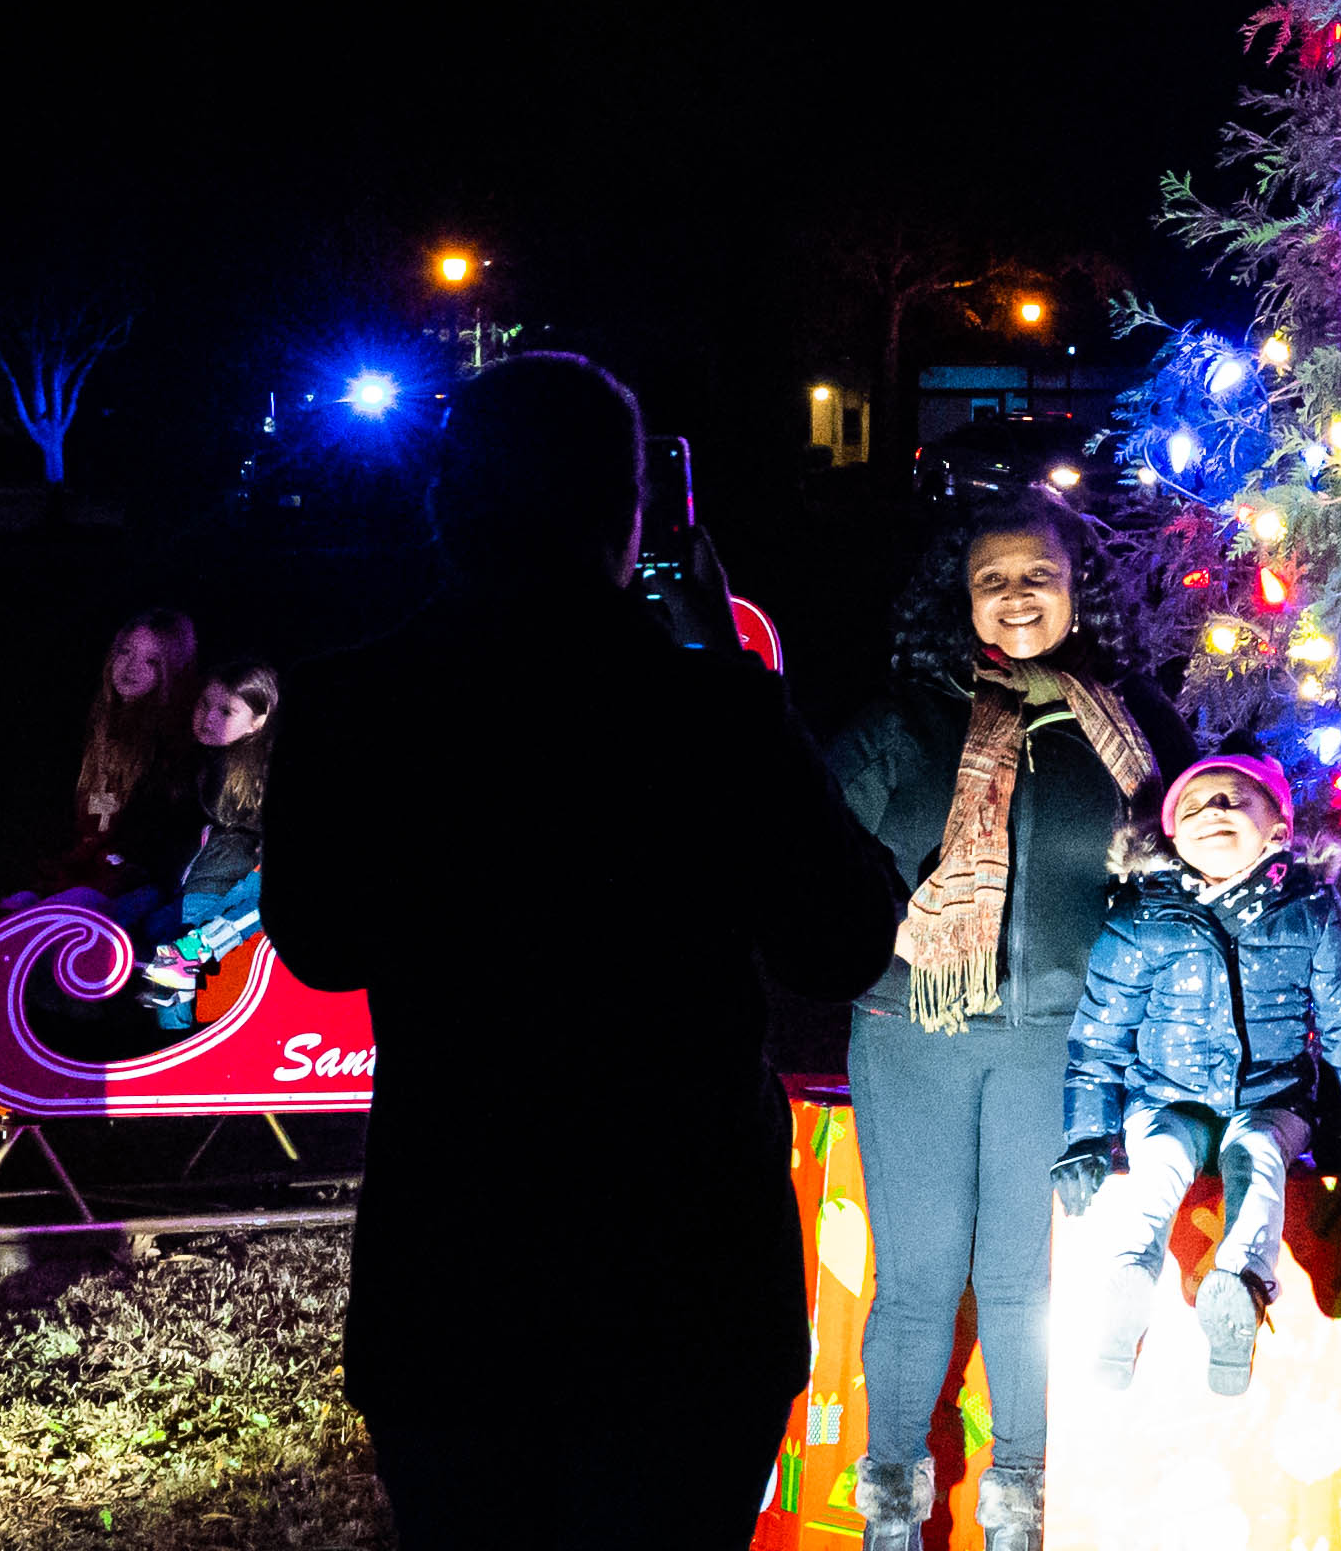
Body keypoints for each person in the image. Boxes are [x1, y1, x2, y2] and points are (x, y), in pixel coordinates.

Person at [263, 354, 904, 1551]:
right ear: (635, 513)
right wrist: (730, 672)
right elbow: (844, 937)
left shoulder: (357, 703)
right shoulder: (708, 712)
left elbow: (320, 938)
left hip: (456, 1270)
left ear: (446, 500)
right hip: (686, 1277)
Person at [820, 496, 1182, 1551]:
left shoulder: (1129, 726)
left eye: (1040, 573)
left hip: (1059, 1043)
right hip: (912, 1031)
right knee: (921, 1281)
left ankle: (1015, 1511)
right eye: (994, 576)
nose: (1019, 592)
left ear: (1077, 589)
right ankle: (894, 1517)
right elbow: (809, 847)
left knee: (1025, 1285)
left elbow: (1199, 853)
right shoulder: (904, 717)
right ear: (961, 597)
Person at [1056, 756, 1341, 1402]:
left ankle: (1238, 1282)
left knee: (1256, 1156)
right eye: (1198, 805)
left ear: (1277, 828)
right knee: (1160, 1163)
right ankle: (1124, 1285)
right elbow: (1100, 1036)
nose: (1216, 813)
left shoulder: (1310, 912)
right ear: (1170, 832)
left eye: (1236, 801)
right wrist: (1087, 1134)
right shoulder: (1140, 919)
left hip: (1270, 1097)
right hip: (1165, 1096)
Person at [136, 660, 280, 1032]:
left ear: (258, 721)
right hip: (197, 887)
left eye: (225, 711)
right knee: (164, 966)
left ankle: (192, 963)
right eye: (203, 705)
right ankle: (168, 1045)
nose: (207, 718)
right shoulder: (201, 764)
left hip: (236, 888)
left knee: (176, 962)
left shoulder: (264, 772)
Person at [38, 606, 202, 899]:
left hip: (127, 888)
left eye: (151, 661)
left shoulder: (171, 747)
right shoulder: (91, 721)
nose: (131, 668)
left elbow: (156, 845)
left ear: (171, 671)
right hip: (74, 868)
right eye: (126, 652)